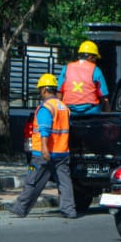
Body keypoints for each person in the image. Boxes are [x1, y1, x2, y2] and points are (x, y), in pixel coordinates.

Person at [10, 73, 77, 218]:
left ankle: (20, 208)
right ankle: (69, 210)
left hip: (43, 153)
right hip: (62, 152)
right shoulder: (63, 107)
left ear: (45, 90)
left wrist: (45, 148)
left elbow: (44, 130)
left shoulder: (46, 108)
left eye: (40, 90)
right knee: (65, 183)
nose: (40, 93)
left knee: (33, 181)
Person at [61, 40, 111, 114]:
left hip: (68, 112)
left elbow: (59, 92)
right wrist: (108, 117)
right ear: (90, 57)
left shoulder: (67, 68)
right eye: (95, 58)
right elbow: (104, 97)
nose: (95, 61)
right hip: (91, 113)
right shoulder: (96, 70)